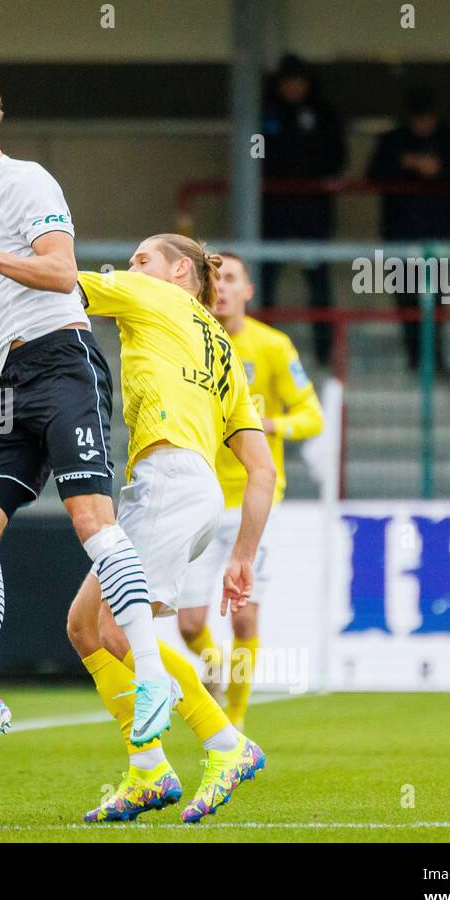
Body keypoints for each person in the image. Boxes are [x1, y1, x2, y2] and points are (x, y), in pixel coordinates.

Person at [0, 235, 276, 824]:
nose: (131, 269)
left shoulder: (153, 295)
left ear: (179, 271)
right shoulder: (224, 349)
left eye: (142, 260)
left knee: (118, 632)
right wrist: (242, 555)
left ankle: (226, 745)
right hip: (191, 488)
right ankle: (148, 769)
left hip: (168, 480)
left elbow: (57, 282)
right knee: (84, 627)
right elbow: (262, 470)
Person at [0, 67, 169, 764]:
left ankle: (152, 676)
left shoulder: (26, 182)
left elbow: (60, 273)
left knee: (90, 520)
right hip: (13, 377)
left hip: (62, 365)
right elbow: (10, 303)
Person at [172, 252, 324, 731]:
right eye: (215, 278)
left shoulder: (273, 346)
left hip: (255, 503)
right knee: (190, 625)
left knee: (243, 619)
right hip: (200, 499)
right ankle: (215, 667)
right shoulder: (189, 344)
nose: (221, 287)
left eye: (231, 278)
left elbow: (313, 415)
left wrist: (268, 424)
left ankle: (234, 723)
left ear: (248, 290)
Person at [366, 86, 450, 379]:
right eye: (418, 118)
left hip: (438, 234)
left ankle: (436, 360)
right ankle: (416, 359)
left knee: (437, 299)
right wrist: (405, 163)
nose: (423, 124)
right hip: (401, 233)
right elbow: (372, 175)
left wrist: (438, 169)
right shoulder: (392, 141)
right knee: (407, 298)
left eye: (428, 118)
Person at [259, 54, 347, 367]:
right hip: (273, 213)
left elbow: (337, 158)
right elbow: (253, 156)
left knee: (319, 281)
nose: (293, 88)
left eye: (298, 82)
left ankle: (324, 351)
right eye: (287, 82)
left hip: (312, 213)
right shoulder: (265, 113)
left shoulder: (323, 114)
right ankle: (260, 349)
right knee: (263, 280)